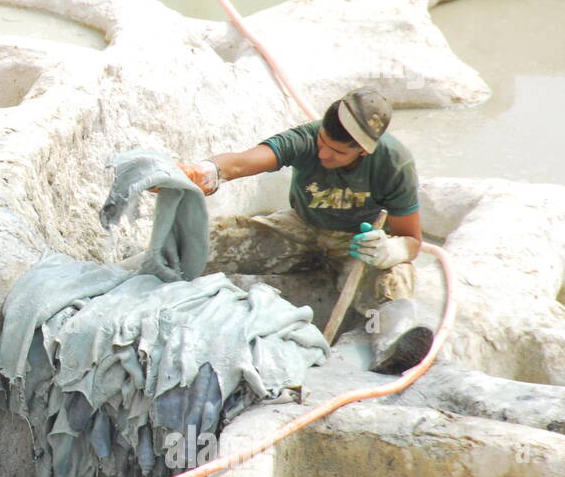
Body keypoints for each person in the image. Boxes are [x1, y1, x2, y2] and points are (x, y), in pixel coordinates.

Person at [177, 87, 434, 375]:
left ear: (363, 150)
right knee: (214, 237)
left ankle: (392, 345)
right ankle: (159, 275)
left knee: (393, 278)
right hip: (302, 228)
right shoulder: (307, 138)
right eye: (322, 142)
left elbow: (411, 240)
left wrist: (390, 249)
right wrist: (205, 172)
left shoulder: (394, 162)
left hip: (356, 245)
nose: (323, 153)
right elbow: (242, 162)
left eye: (337, 152)